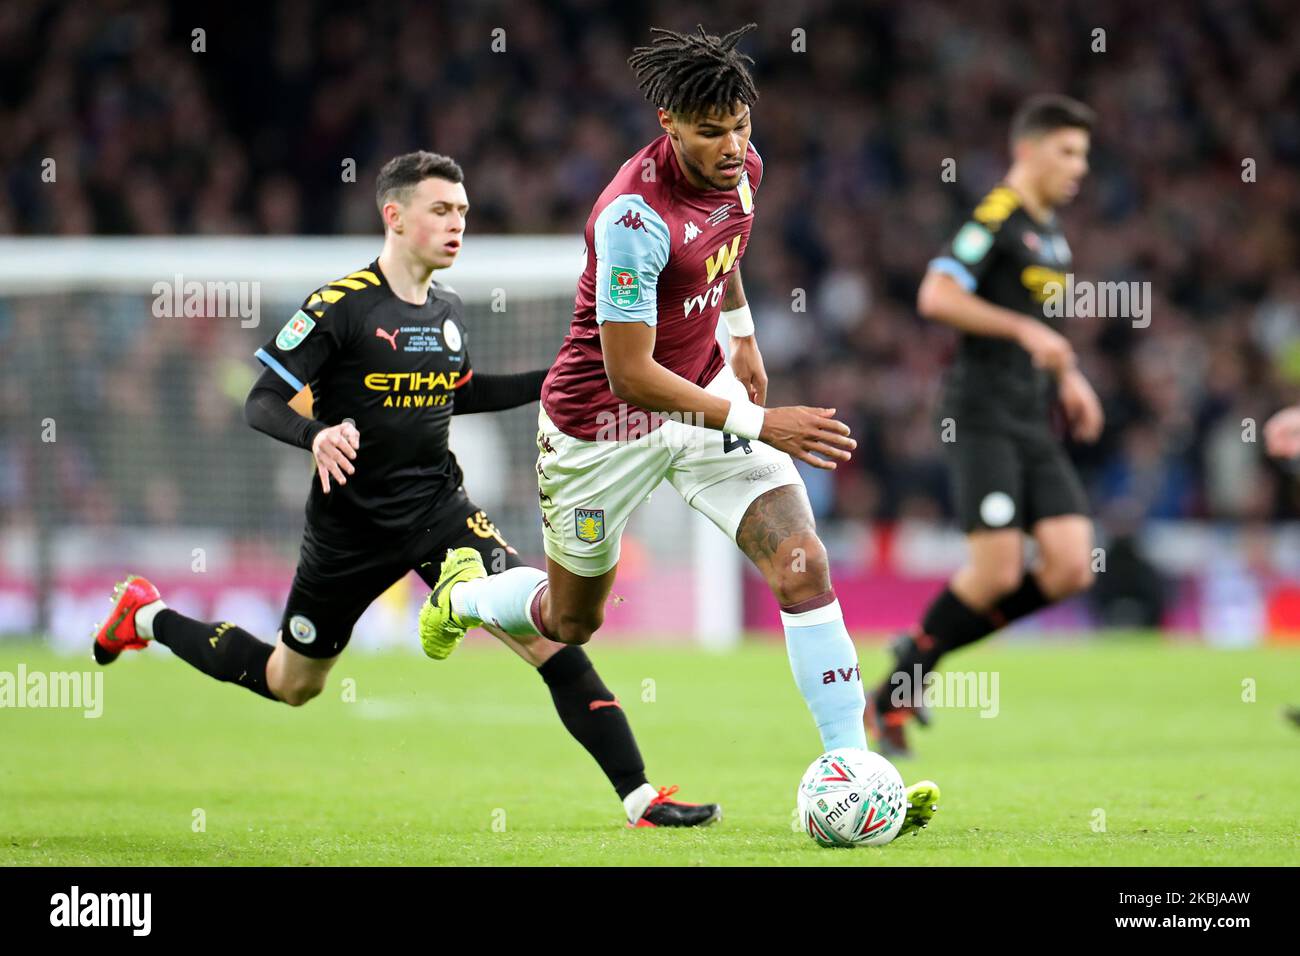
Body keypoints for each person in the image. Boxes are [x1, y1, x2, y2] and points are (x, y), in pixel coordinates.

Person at [91, 150, 719, 829]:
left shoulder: (447, 310)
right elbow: (262, 399)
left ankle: (640, 799)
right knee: (291, 682)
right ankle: (146, 616)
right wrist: (317, 435)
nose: (458, 225)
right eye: (442, 211)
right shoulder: (340, 307)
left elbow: (462, 394)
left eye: (464, 213)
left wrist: (561, 375)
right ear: (394, 216)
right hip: (349, 532)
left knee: (551, 638)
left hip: (440, 514)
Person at [418, 24, 939, 838]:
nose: (733, 145)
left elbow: (724, 256)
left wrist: (743, 337)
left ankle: (854, 770)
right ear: (668, 123)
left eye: (741, 124)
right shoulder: (632, 216)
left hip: (702, 395)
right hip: (603, 429)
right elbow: (630, 373)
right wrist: (764, 420)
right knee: (571, 621)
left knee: (802, 563)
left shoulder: (746, 169)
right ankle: (466, 595)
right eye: (711, 131)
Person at [867, 95, 1105, 757]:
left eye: (1083, 154)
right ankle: (901, 685)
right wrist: (1025, 329)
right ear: (1026, 150)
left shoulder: (1050, 232)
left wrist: (1068, 377)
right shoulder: (994, 217)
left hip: (1031, 417)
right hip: (981, 417)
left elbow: (1041, 329)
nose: (1078, 166)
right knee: (996, 572)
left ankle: (918, 648)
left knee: (1070, 567)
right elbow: (936, 295)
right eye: (1067, 151)